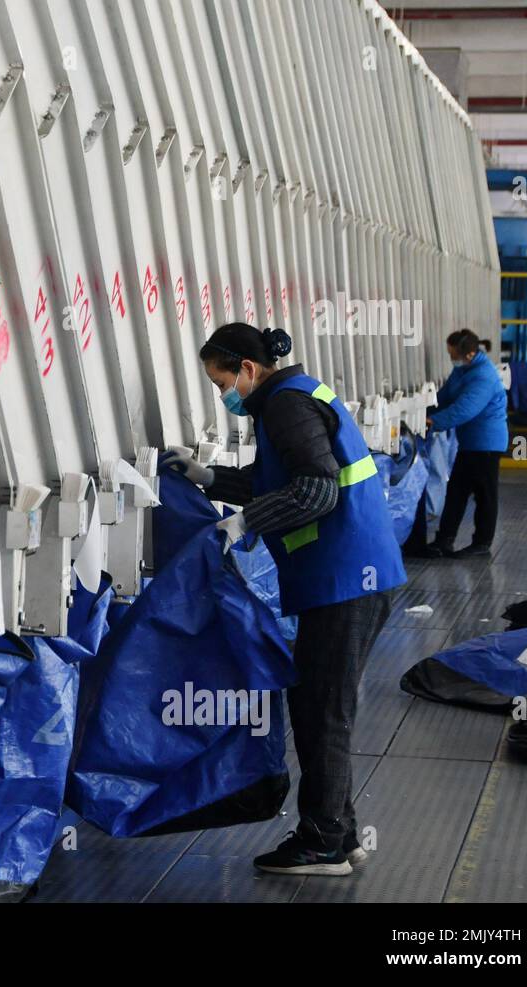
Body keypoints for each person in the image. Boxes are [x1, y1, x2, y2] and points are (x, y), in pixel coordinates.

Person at [162, 323, 406, 876]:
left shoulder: (285, 407)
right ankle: (338, 833)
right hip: (349, 576)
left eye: (221, 381)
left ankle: (322, 843)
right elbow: (283, 479)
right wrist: (209, 478)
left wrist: (243, 524)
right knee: (319, 704)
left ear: (247, 370)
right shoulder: (295, 396)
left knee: (324, 708)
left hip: (346, 580)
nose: (223, 394)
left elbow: (314, 490)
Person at [419, 329, 508, 559]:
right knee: (456, 491)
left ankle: (482, 543)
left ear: (469, 354)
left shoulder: (483, 376)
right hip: (469, 444)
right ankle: (444, 540)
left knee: (485, 495)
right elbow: (445, 397)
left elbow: (464, 410)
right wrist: (423, 411)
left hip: (487, 445)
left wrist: (433, 422)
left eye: (454, 355)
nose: (452, 360)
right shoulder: (463, 370)